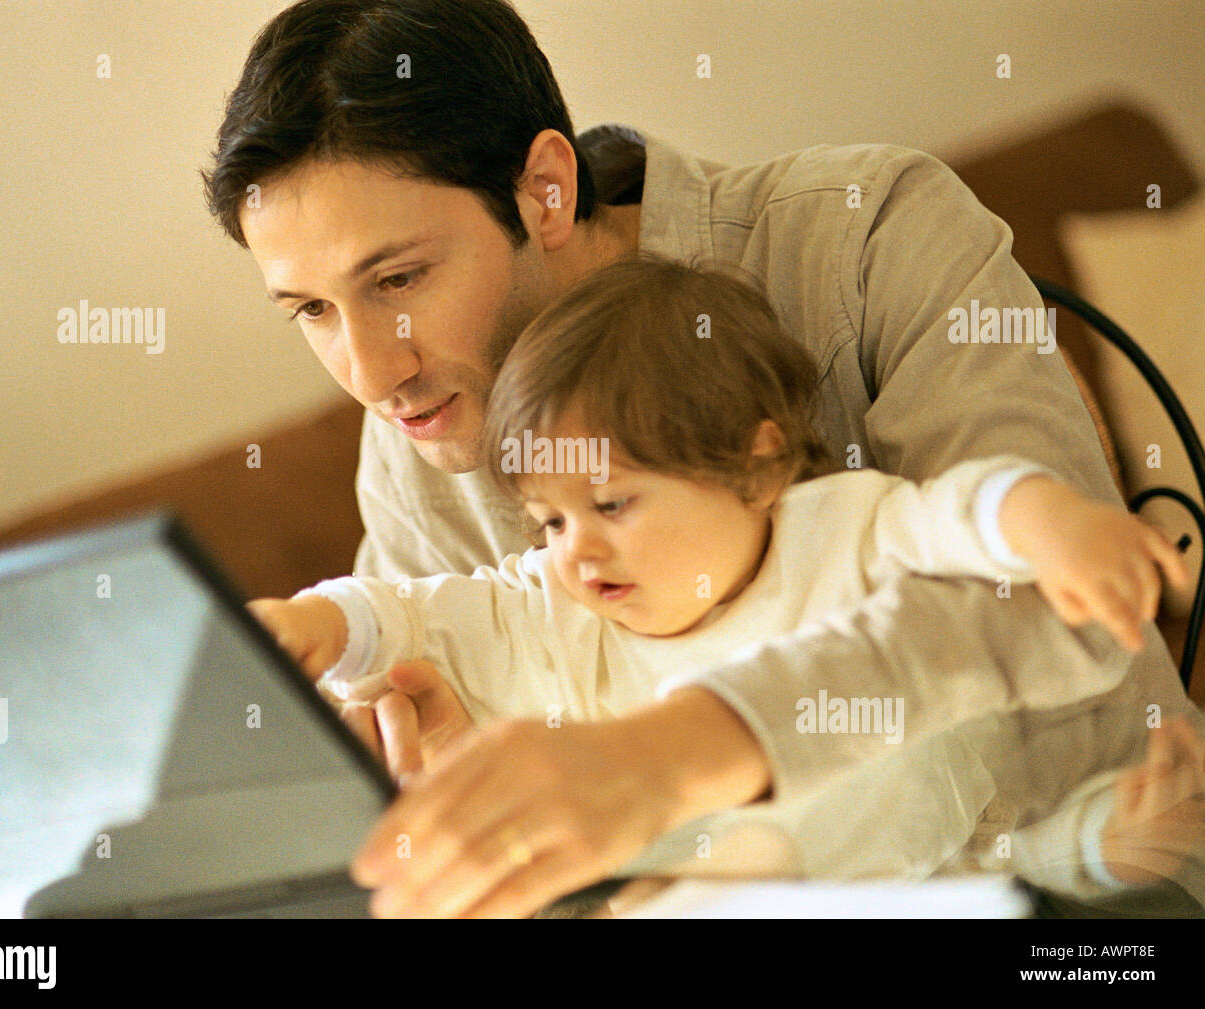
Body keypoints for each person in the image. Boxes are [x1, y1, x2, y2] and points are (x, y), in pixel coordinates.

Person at [202, 0, 1202, 916]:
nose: (371, 372)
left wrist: (679, 751)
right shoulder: (411, 441)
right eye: (313, 312)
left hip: (1096, 883)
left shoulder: (863, 235)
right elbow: (416, 674)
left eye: (399, 278)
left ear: (546, 190)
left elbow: (1061, 603)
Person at [249, 257, 1202, 911]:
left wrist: (1056, 521)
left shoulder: (843, 531)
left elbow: (962, 514)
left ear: (758, 459)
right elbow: (419, 616)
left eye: (613, 503)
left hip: (928, 885)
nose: (573, 550)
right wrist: (320, 625)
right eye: (548, 519)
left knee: (1079, 858)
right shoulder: (557, 605)